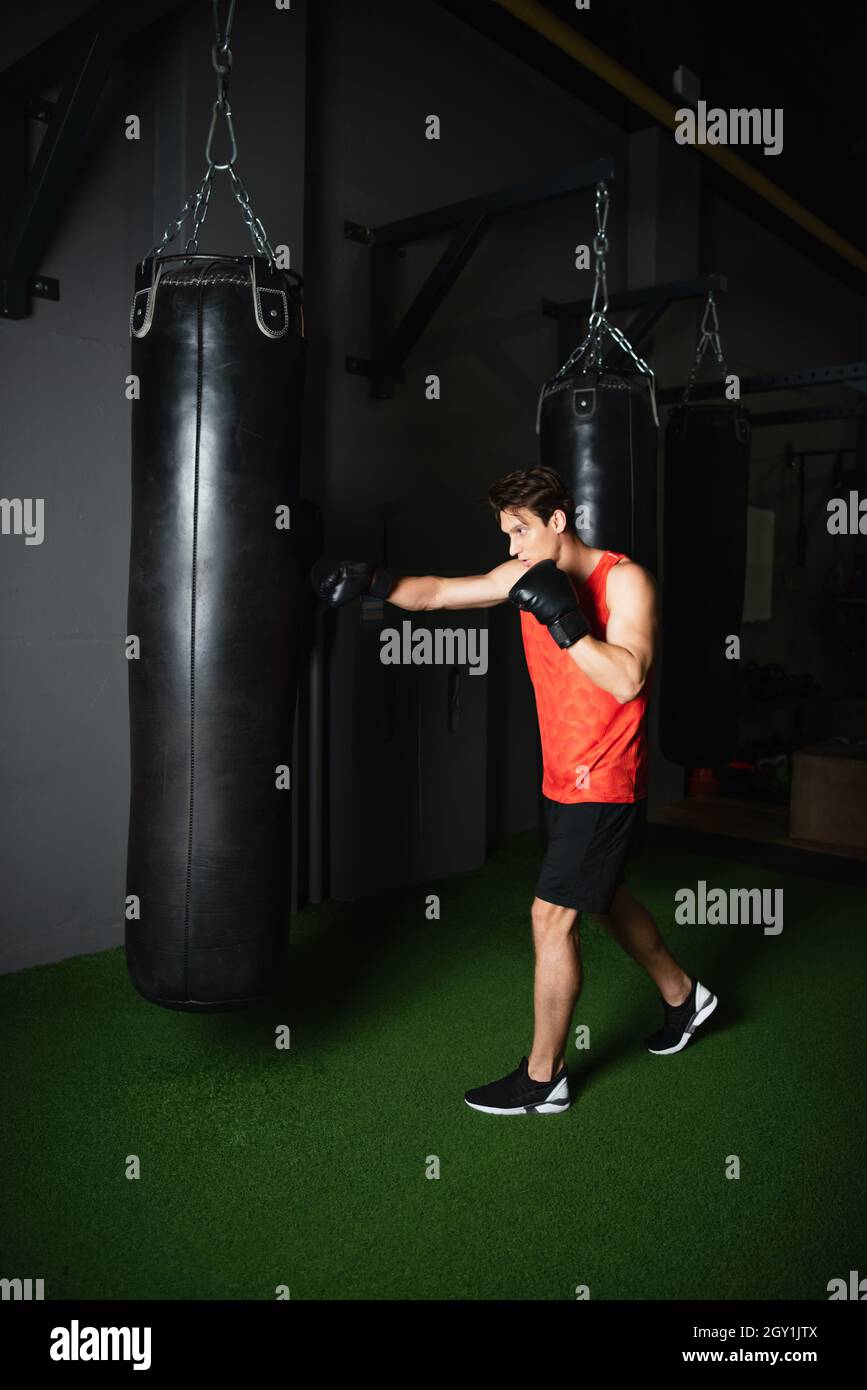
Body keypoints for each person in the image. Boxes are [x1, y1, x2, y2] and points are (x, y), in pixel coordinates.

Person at [310, 464, 718, 1116]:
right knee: (603, 896)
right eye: (505, 534)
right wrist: (372, 582)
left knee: (549, 917)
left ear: (558, 520)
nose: (512, 548)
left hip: (605, 783)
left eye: (520, 531)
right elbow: (438, 593)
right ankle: (683, 997)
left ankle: (543, 1079)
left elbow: (627, 679)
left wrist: (564, 620)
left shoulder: (625, 580)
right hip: (559, 778)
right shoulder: (521, 576)